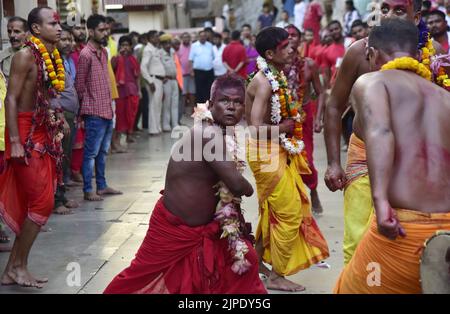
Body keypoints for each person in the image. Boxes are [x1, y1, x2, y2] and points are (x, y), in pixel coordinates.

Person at [104, 75, 267, 294]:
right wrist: (249, 188)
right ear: (210, 104)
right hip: (173, 228)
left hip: (206, 227)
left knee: (242, 266)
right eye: (224, 101)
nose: (231, 107)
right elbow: (237, 185)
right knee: (138, 279)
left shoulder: (221, 131)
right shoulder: (208, 134)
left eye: (238, 102)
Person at [323, 0, 447, 265]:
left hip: (412, 160)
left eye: (399, 10)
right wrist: (333, 163)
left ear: (416, 17)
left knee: (406, 240)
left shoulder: (433, 51)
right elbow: (334, 107)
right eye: (384, 9)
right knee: (359, 243)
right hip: (364, 155)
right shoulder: (359, 51)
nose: (389, 15)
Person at [246, 27, 329, 292]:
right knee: (289, 214)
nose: (293, 49)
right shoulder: (263, 81)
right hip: (264, 151)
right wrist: (283, 128)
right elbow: (254, 128)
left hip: (276, 149)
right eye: (286, 46)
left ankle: (256, 263)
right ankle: (277, 275)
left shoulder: (277, 75)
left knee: (275, 210)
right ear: (270, 54)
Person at [0, 7, 65, 288]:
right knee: (42, 202)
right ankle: (16, 266)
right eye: (54, 23)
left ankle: (14, 268)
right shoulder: (25, 55)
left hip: (41, 129)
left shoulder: (48, 54)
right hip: (24, 134)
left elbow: (40, 95)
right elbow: (11, 100)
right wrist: (14, 141)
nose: (60, 28)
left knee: (40, 200)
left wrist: (54, 118)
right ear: (37, 29)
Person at [76, 14, 122, 202]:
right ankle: (88, 190)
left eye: (107, 30)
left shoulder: (103, 52)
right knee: (91, 153)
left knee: (103, 152)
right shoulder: (85, 54)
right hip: (93, 111)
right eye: (102, 30)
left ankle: (102, 186)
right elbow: (79, 85)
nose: (106, 33)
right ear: (91, 31)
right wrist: (82, 112)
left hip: (106, 108)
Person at [285, 24, 325, 214]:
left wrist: (318, 118)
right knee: (285, 161)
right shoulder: (275, 66)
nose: (291, 38)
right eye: (287, 35)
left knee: (306, 160)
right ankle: (295, 202)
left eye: (294, 35)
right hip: (283, 118)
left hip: (305, 116)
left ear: (300, 40)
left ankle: (314, 190)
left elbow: (321, 92)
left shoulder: (309, 64)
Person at [52, 24, 81, 216]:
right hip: (59, 115)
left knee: (65, 157)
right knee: (58, 158)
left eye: (70, 39)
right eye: (64, 39)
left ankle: (61, 196)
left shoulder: (67, 60)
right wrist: (60, 114)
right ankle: (55, 200)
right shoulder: (52, 60)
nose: (69, 43)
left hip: (71, 114)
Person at [111, 36, 141, 145]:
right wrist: (119, 56)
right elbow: (111, 68)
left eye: (127, 45)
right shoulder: (116, 58)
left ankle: (129, 134)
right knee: (120, 115)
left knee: (131, 114)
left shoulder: (133, 59)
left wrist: (139, 91)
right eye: (123, 45)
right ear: (120, 46)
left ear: (131, 46)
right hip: (120, 90)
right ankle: (117, 141)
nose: (125, 47)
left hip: (132, 90)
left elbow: (137, 76)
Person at [69, 18, 87, 183]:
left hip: (84, 99)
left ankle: (80, 168)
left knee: (83, 136)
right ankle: (73, 171)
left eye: (83, 28)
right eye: (77, 28)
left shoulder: (84, 50)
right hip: (72, 102)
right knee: (76, 139)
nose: (80, 31)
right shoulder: (71, 54)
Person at [141, 30, 166, 135]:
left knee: (158, 105)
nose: (157, 38)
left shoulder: (156, 49)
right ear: (149, 38)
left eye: (157, 37)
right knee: (153, 104)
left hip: (159, 80)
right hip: (153, 80)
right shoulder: (148, 50)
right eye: (154, 37)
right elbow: (143, 67)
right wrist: (150, 81)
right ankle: (153, 129)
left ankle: (157, 127)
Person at [160, 33, 179, 132]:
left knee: (175, 103)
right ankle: (165, 125)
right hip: (166, 80)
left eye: (169, 43)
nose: (168, 45)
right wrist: (162, 78)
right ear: (162, 44)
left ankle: (175, 123)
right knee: (166, 103)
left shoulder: (172, 52)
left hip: (174, 80)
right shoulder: (160, 53)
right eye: (165, 43)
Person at [189, 31, 215, 104]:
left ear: (206, 37)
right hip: (198, 72)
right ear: (198, 37)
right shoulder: (194, 45)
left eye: (204, 36)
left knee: (209, 91)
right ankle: (201, 113)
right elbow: (190, 59)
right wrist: (191, 71)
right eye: (201, 36)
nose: (203, 37)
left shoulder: (210, 45)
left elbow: (212, 57)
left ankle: (209, 111)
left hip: (209, 71)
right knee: (199, 92)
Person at [0, 17, 29, 82]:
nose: (12, 35)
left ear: (27, 33)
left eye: (17, 31)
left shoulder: (36, 54)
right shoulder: (2, 57)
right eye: (9, 31)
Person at [321, 21, 346, 89]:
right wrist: (328, 89)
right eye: (331, 30)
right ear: (329, 33)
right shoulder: (326, 51)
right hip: (336, 86)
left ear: (341, 28)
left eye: (336, 29)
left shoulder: (352, 42)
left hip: (354, 83)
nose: (334, 31)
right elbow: (326, 73)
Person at [177, 32, 196, 115]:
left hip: (192, 73)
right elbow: (177, 61)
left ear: (190, 38)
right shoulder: (179, 48)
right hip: (182, 74)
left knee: (192, 92)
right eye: (184, 38)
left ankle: (192, 110)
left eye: (187, 37)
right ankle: (183, 110)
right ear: (182, 39)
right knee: (183, 93)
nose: (186, 39)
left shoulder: (193, 47)